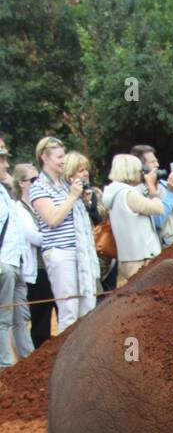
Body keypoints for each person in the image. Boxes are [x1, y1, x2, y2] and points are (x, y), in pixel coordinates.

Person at [30, 136, 99, 331]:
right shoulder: (39, 187)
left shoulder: (65, 185)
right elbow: (52, 219)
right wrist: (73, 197)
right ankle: (66, 358)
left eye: (63, 156)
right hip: (61, 253)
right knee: (69, 309)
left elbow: (72, 215)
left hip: (80, 252)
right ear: (45, 157)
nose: (63, 161)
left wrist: (82, 202)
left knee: (87, 308)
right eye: (59, 157)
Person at [11, 162, 54, 348]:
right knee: (39, 318)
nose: (37, 182)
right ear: (21, 183)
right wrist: (56, 237)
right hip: (36, 269)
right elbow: (33, 236)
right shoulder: (18, 209)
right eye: (33, 179)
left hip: (49, 263)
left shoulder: (40, 203)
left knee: (53, 311)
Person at [102, 154, 163, 285]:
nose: (141, 173)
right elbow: (157, 208)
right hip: (140, 257)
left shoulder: (115, 192)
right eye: (139, 170)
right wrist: (152, 187)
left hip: (128, 257)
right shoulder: (127, 194)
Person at [0, 161, 33, 370]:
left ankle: (28, 364)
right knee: (3, 318)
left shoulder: (4, 191)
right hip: (5, 263)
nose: (7, 164)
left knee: (22, 315)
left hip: (16, 261)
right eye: (2, 159)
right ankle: (5, 367)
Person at [131, 145, 173, 247]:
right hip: (165, 246)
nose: (157, 164)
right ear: (142, 167)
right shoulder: (138, 193)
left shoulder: (165, 185)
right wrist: (171, 193)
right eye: (152, 162)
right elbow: (158, 221)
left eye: (156, 161)